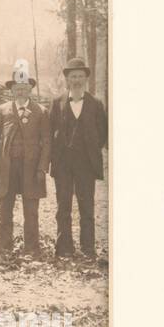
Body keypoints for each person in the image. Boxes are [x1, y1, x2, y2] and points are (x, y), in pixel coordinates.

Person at [47, 56, 107, 259]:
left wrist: (87, 151)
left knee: (87, 207)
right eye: (73, 76)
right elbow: (50, 131)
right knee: (63, 207)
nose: (77, 80)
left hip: (86, 165)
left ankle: (88, 248)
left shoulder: (96, 104)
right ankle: (64, 247)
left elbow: (102, 134)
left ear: (86, 80)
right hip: (63, 164)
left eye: (81, 76)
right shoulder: (57, 103)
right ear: (67, 80)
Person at [0, 68, 51, 257]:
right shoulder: (3, 109)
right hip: (7, 167)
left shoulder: (40, 111)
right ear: (12, 90)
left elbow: (47, 141)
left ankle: (31, 248)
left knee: (31, 210)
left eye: (24, 87)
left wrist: (42, 167)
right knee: (5, 208)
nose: (20, 91)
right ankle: (4, 247)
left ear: (30, 89)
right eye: (17, 88)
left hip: (31, 168)